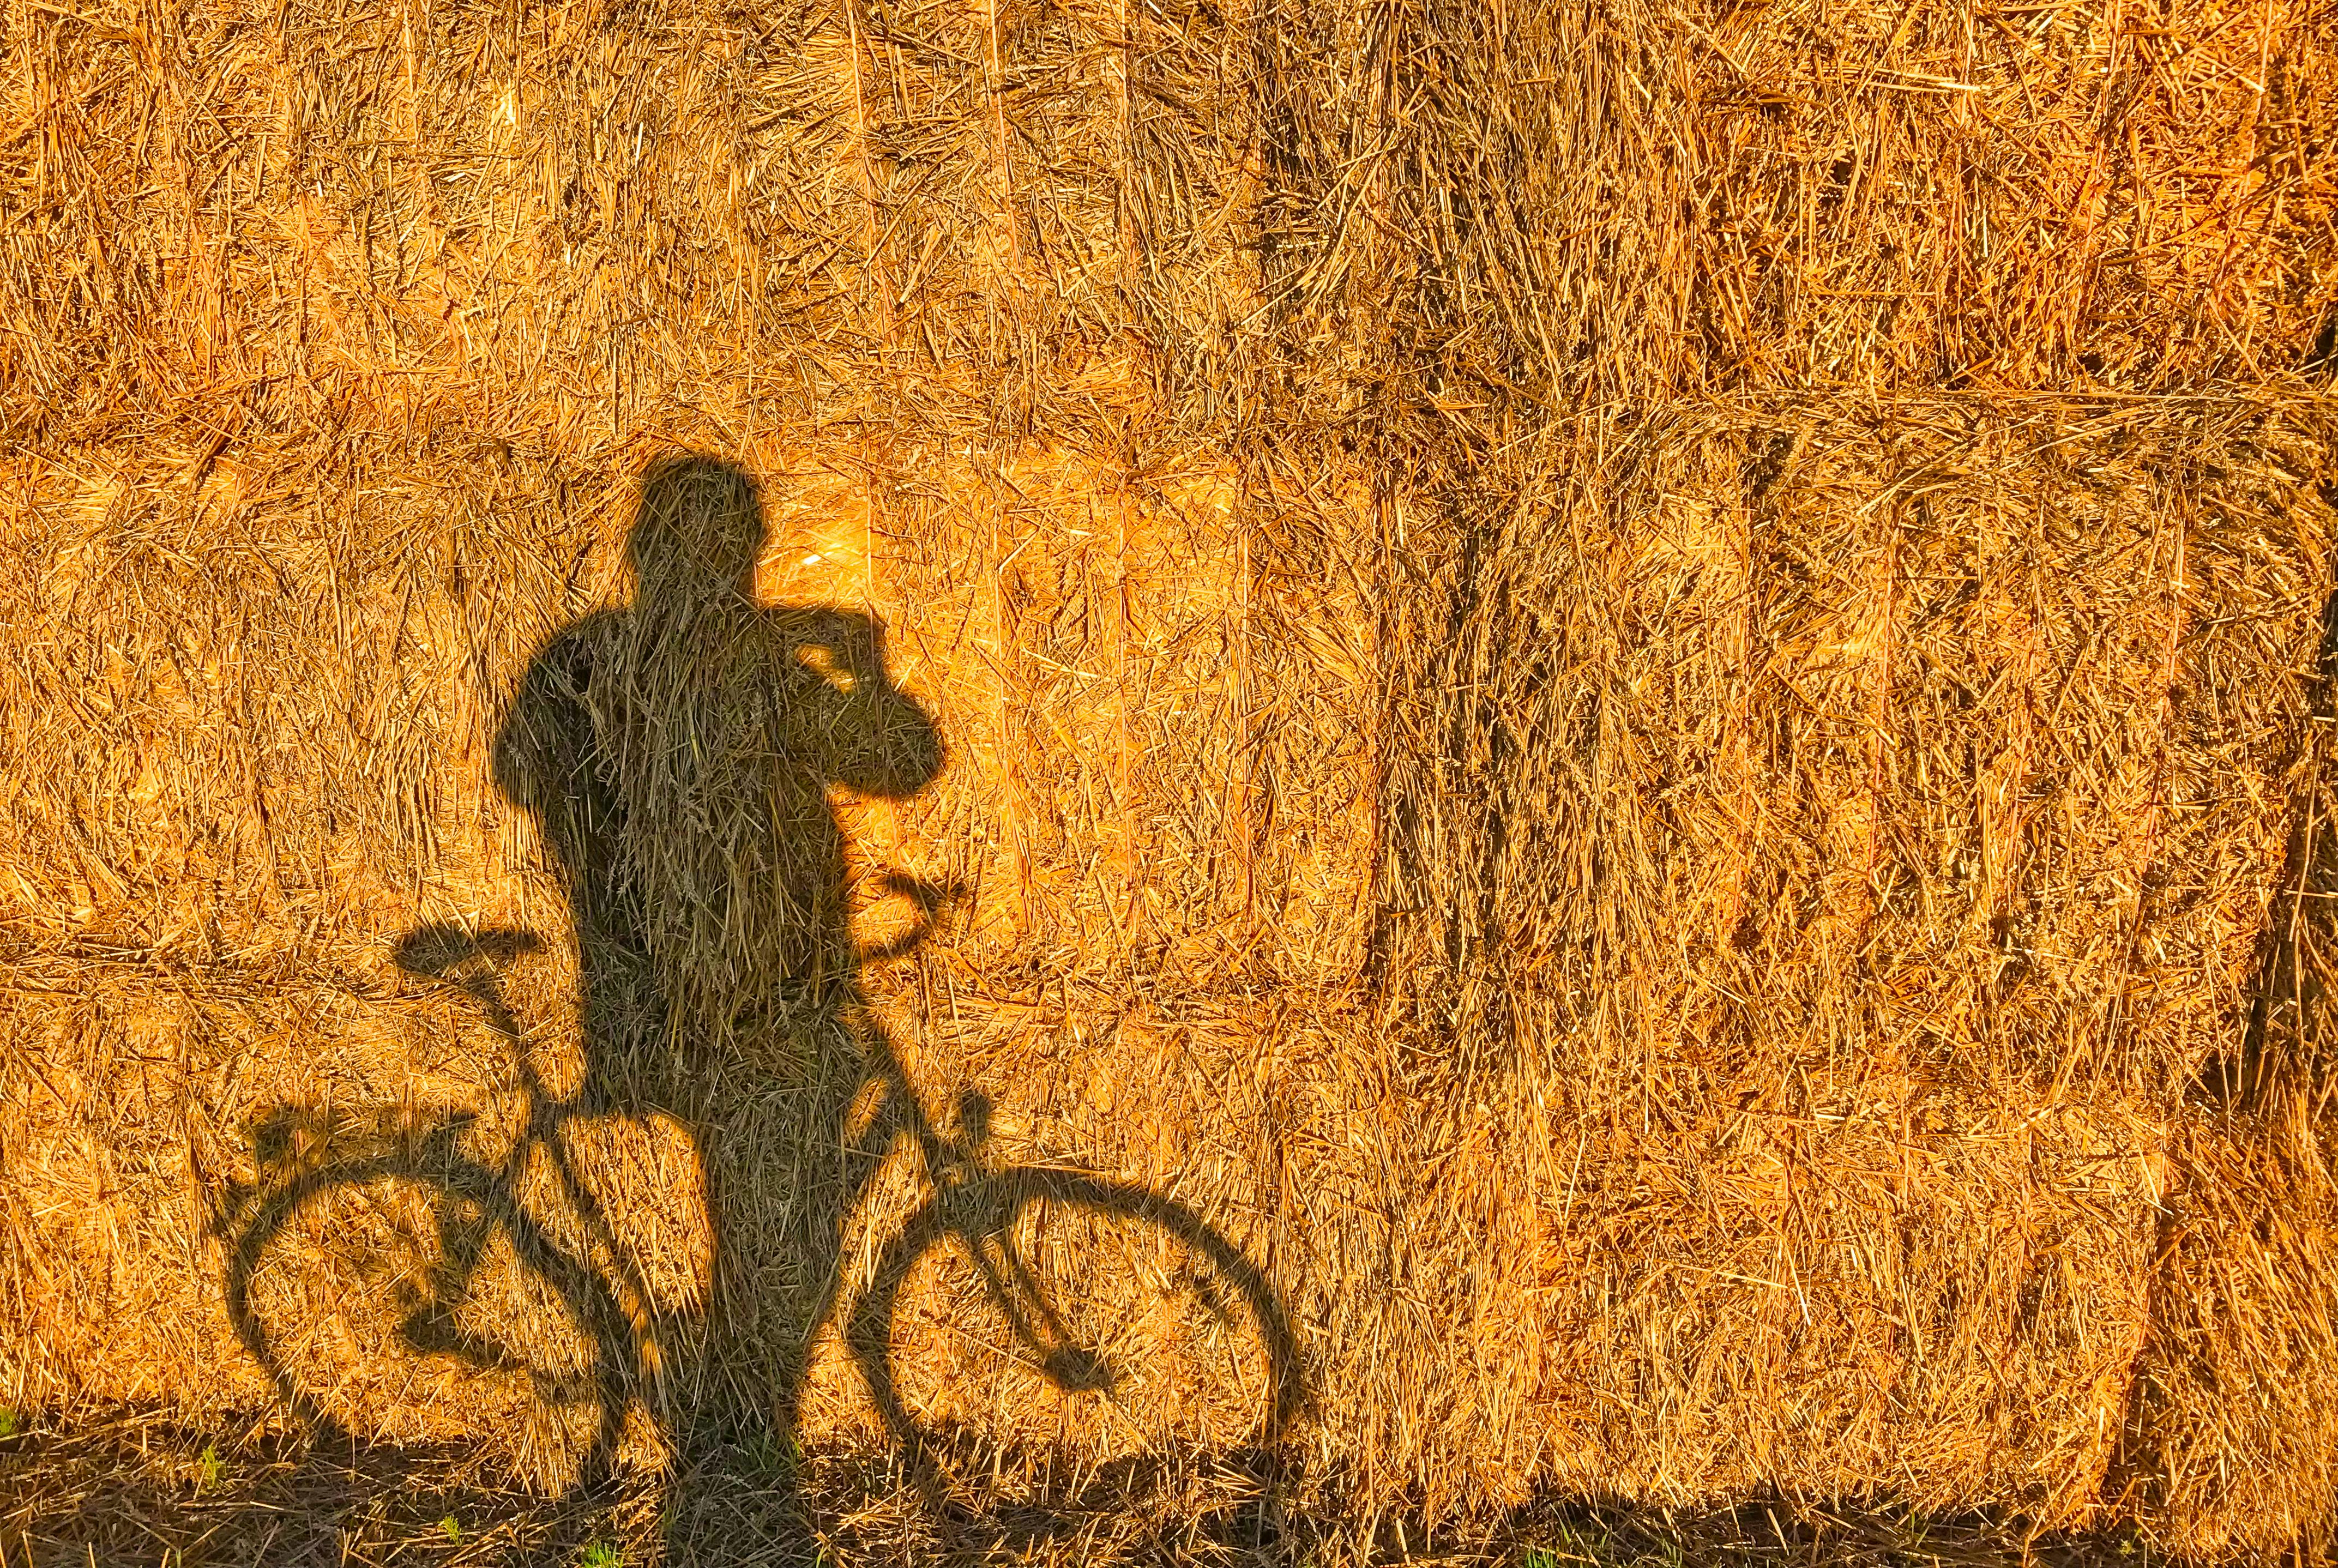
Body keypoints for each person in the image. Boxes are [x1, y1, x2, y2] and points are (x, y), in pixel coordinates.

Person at [489, 453, 944, 1506]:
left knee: (749, 1224)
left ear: (645, 552)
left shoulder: (595, 655)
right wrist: (863, 666)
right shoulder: (765, 676)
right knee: (781, 1231)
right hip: (753, 1013)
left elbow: (520, 764)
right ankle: (738, 1439)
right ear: (741, 556)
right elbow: (906, 758)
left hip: (641, 1001)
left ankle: (715, 1417)